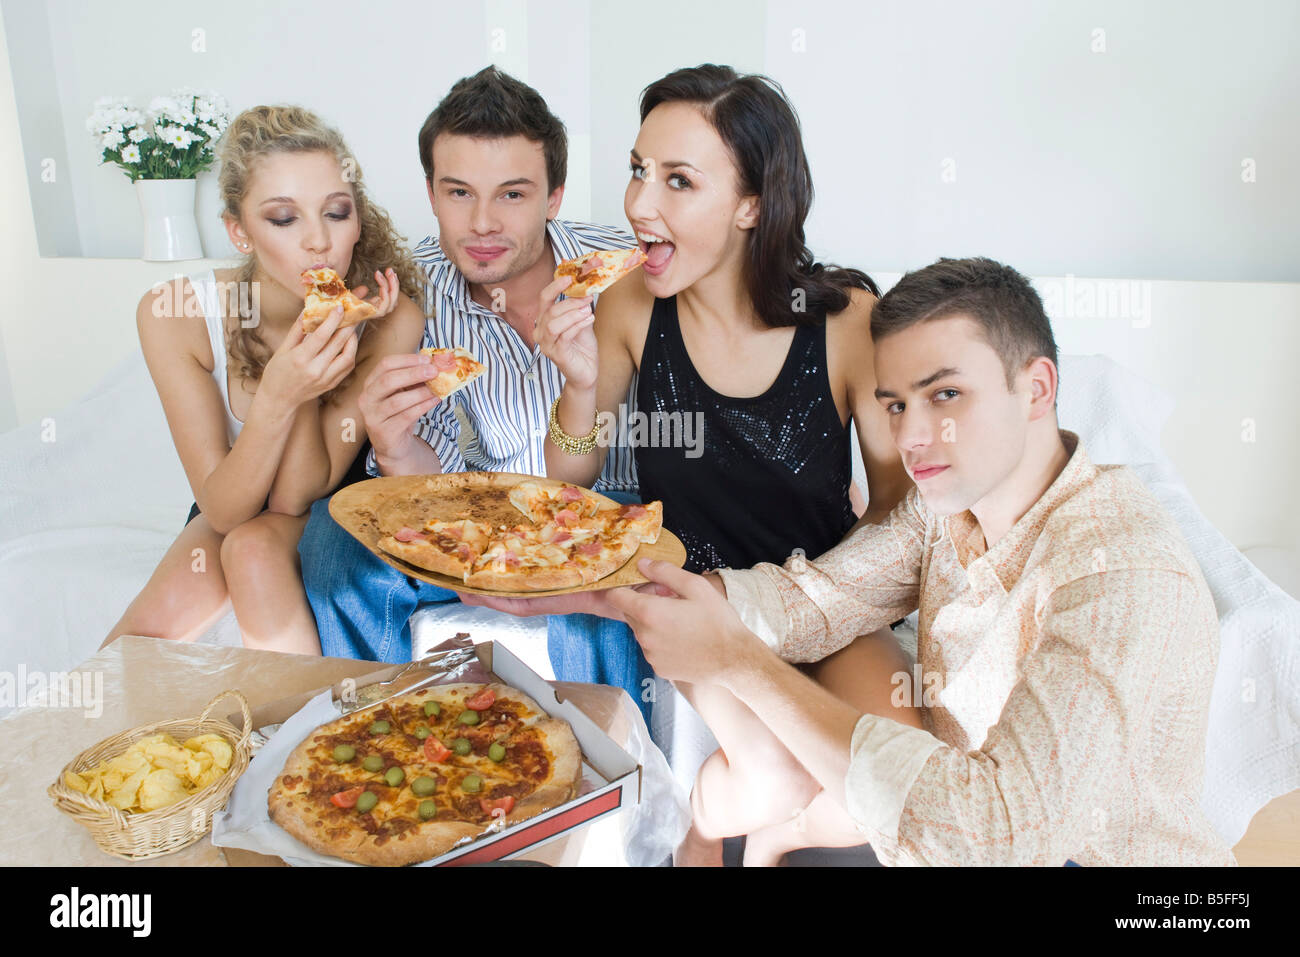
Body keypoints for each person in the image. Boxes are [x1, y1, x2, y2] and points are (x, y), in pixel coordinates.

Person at [605, 256, 1236, 866]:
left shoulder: (1120, 574)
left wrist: (743, 664)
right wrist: (626, 591)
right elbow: (819, 598)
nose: (909, 438)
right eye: (897, 405)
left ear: (1037, 389)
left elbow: (995, 841)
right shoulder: (944, 510)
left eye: (946, 394)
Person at [462, 62, 913, 843]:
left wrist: (814, 598)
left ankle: (766, 839)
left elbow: (899, 518)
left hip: (822, 598)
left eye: (678, 181)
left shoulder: (848, 323)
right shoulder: (629, 305)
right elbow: (570, 476)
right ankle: (703, 823)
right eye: (638, 171)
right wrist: (578, 385)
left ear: (751, 204)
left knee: (896, 786)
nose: (639, 204)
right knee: (773, 778)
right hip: (695, 604)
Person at [295, 68, 646, 694]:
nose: (482, 223)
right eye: (459, 192)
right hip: (468, 521)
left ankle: (613, 753)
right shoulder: (404, 295)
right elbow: (429, 490)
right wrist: (392, 446)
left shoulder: (621, 272)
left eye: (512, 195)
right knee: (332, 539)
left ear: (554, 198)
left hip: (601, 511)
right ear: (430, 194)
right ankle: (371, 729)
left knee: (611, 576)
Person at [105, 105, 426, 655]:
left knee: (253, 549)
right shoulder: (175, 313)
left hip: (330, 504)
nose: (318, 241)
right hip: (231, 494)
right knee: (132, 648)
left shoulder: (391, 317)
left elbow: (296, 497)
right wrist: (280, 388)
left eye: (337, 212)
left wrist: (317, 344)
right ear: (240, 231)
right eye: (283, 218)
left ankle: (306, 714)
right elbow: (224, 510)